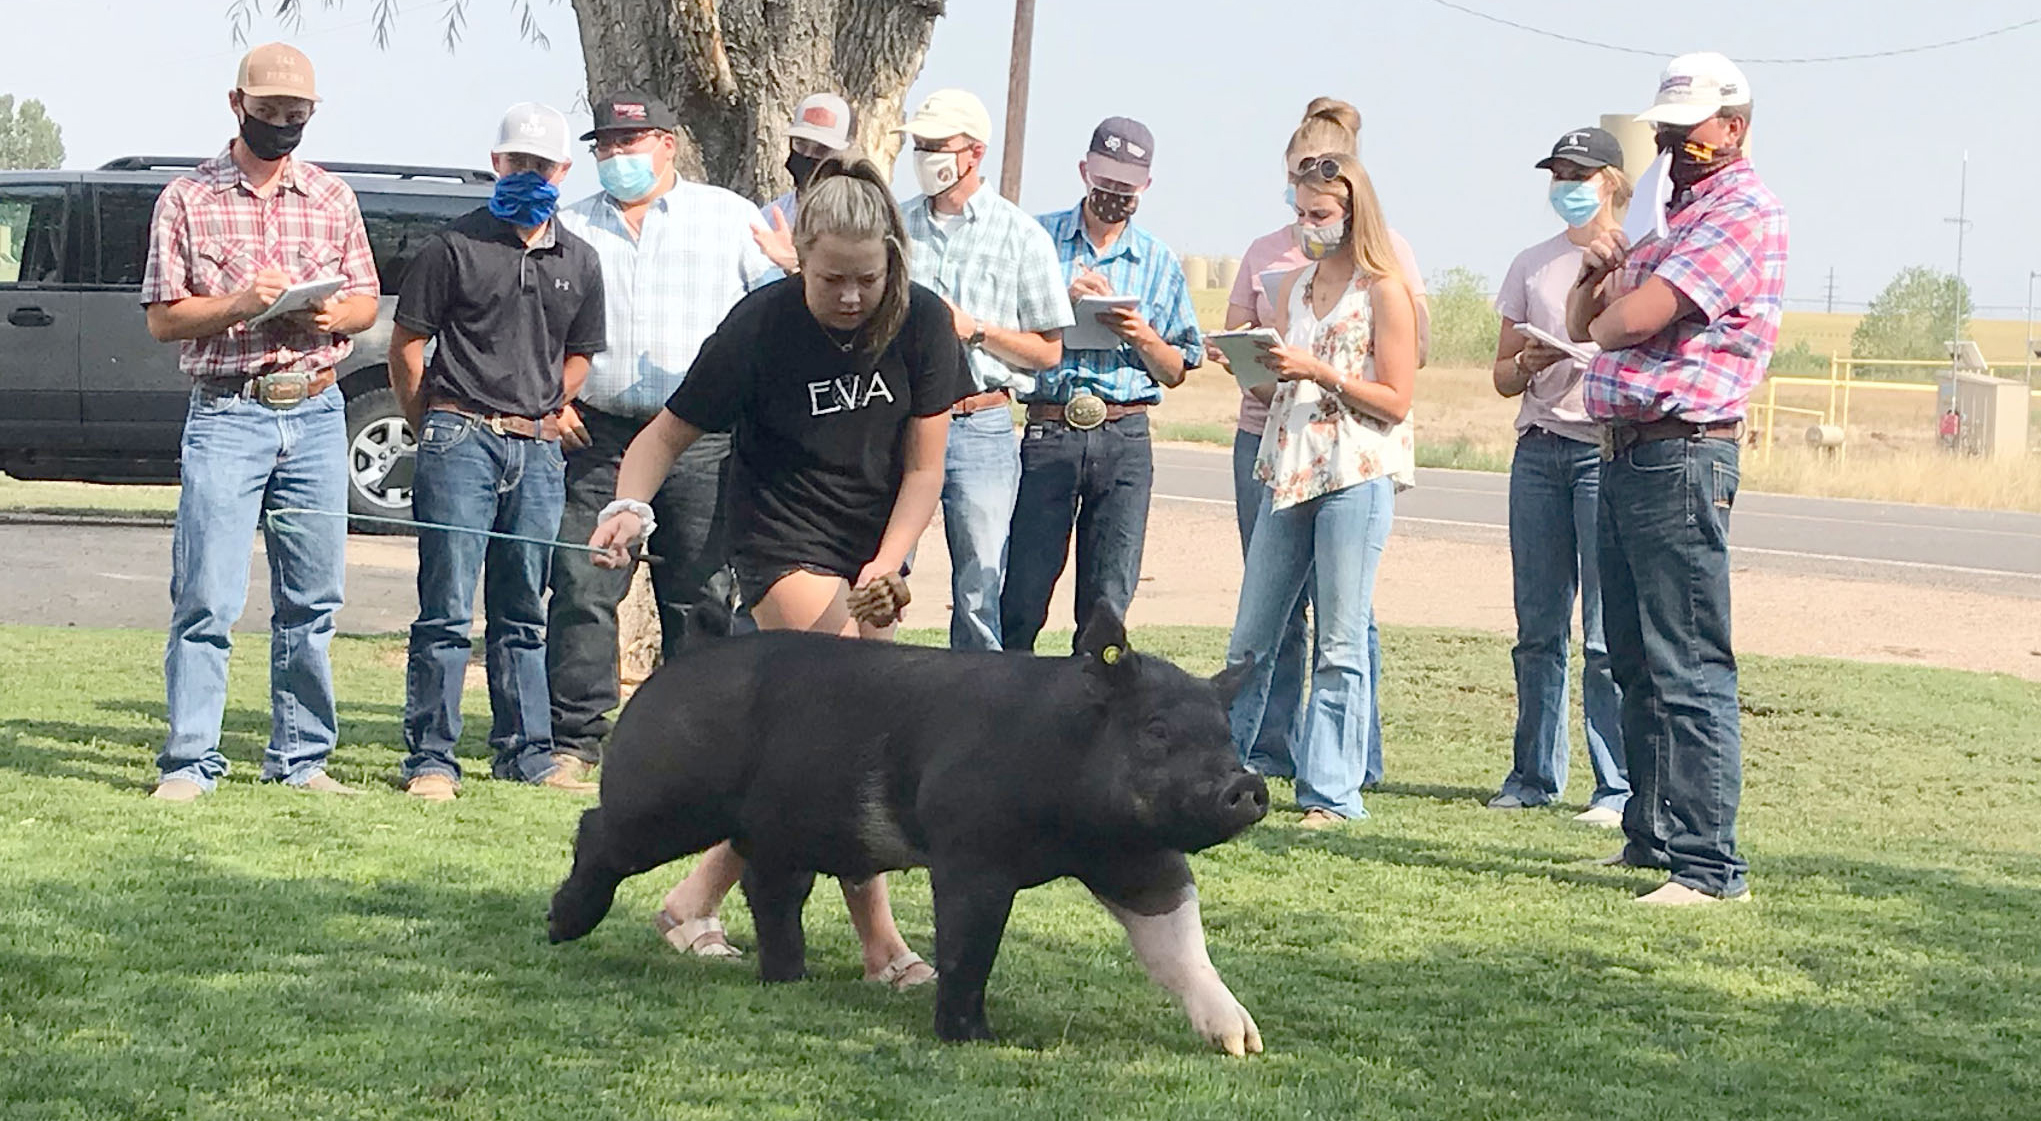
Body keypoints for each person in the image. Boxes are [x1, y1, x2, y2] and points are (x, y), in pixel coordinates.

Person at [587, 157, 971, 985]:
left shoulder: (924, 324)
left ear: (891, 262)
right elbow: (661, 437)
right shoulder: (758, 327)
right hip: (777, 537)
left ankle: (691, 897)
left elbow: (924, 469)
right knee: (854, 729)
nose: (848, 296)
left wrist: (889, 559)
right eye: (829, 277)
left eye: (865, 279)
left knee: (808, 757)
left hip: (871, 547)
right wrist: (630, 506)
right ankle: (881, 945)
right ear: (799, 253)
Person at [1565, 53, 1787, 904]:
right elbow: (1586, 314)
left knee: (1687, 661)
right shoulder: (1677, 219)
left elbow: (1625, 323)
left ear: (1732, 127)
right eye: (1665, 132)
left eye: (1687, 132)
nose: (1672, 145)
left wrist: (1617, 289)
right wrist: (1598, 273)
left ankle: (1707, 862)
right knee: (1634, 657)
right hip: (1628, 449)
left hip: (1681, 449)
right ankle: (1652, 839)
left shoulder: (1741, 215)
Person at [140, 43, 381, 801]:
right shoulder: (185, 198)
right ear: (236, 104)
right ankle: (189, 762)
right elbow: (161, 319)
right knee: (207, 595)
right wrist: (240, 305)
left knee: (313, 600)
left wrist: (337, 310)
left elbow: (368, 299)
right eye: (270, 111)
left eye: (296, 114)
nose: (282, 125)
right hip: (228, 412)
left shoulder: (331, 197)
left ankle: (302, 758)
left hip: (314, 407)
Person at [547, 92, 778, 781]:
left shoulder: (729, 218)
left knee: (701, 591)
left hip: (703, 436)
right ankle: (574, 741)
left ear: (667, 143)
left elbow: (773, 312)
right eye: (606, 146)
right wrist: (550, 400)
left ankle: (692, 745)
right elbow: (539, 321)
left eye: (632, 141)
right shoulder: (569, 225)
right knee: (583, 584)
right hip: (600, 433)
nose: (618, 156)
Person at [386, 104, 607, 801]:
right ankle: (431, 758)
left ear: (563, 172)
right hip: (460, 438)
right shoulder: (451, 247)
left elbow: (580, 356)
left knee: (522, 609)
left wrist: (545, 403)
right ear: (496, 164)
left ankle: (525, 750)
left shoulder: (581, 258)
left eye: (541, 167)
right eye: (517, 164)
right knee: (446, 607)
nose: (528, 176)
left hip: (537, 450)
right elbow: (407, 346)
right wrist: (432, 419)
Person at [1217, 98, 1428, 786]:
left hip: (1354, 473)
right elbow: (1273, 390)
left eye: (1319, 216)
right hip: (1287, 469)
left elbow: (1395, 398)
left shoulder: (1384, 290)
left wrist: (1319, 372)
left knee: (1340, 639)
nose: (1305, 228)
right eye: (1300, 213)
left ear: (1350, 214)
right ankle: (1220, 768)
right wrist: (1256, 367)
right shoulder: (1295, 288)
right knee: (1252, 635)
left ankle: (1332, 787)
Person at [1000, 117, 1201, 651]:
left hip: (1123, 431)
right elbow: (1002, 330)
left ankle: (1092, 721)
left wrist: (1140, 333)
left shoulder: (1159, 261)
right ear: (1085, 171)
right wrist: (1058, 304)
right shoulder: (1036, 239)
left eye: (1126, 188)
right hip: (1050, 429)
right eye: (1106, 182)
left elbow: (1177, 367)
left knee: (1107, 603)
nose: (1114, 195)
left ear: (1146, 187)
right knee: (1020, 593)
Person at [1485, 127, 1633, 826]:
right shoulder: (1530, 264)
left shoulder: (1637, 258)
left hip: (1601, 450)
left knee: (1604, 634)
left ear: (1610, 182)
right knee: (1537, 627)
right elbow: (1500, 373)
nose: (1566, 186)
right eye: (1557, 174)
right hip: (1539, 450)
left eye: (1579, 174)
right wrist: (1528, 367)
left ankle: (1615, 785)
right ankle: (1532, 773)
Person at [895, 88, 1073, 651]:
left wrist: (975, 329)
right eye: (918, 146)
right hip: (905, 420)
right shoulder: (896, 227)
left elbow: (1048, 351)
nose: (925, 157)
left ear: (974, 153)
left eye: (936, 146)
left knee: (980, 583)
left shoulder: (1021, 236)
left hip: (983, 423)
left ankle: (979, 713)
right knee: (887, 566)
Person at [755, 91, 856, 271]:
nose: (808, 155)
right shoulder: (768, 219)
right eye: (801, 144)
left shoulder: (861, 219)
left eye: (822, 149)